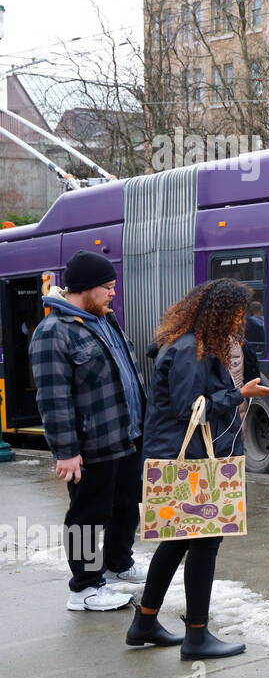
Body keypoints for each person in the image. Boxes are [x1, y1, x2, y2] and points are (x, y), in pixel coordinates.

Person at [125, 280, 269, 658]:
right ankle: (196, 636)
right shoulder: (192, 349)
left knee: (177, 541)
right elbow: (190, 408)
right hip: (191, 461)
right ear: (221, 313)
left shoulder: (193, 344)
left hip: (186, 456)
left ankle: (144, 622)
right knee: (205, 543)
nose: (243, 320)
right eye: (239, 312)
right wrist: (240, 395)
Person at [30, 251, 150, 611]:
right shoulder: (52, 332)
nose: (114, 294)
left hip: (126, 437)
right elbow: (53, 398)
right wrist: (66, 451)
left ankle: (118, 564)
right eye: (108, 287)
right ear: (85, 288)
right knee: (86, 518)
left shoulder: (104, 320)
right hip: (92, 444)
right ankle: (84, 587)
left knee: (127, 507)